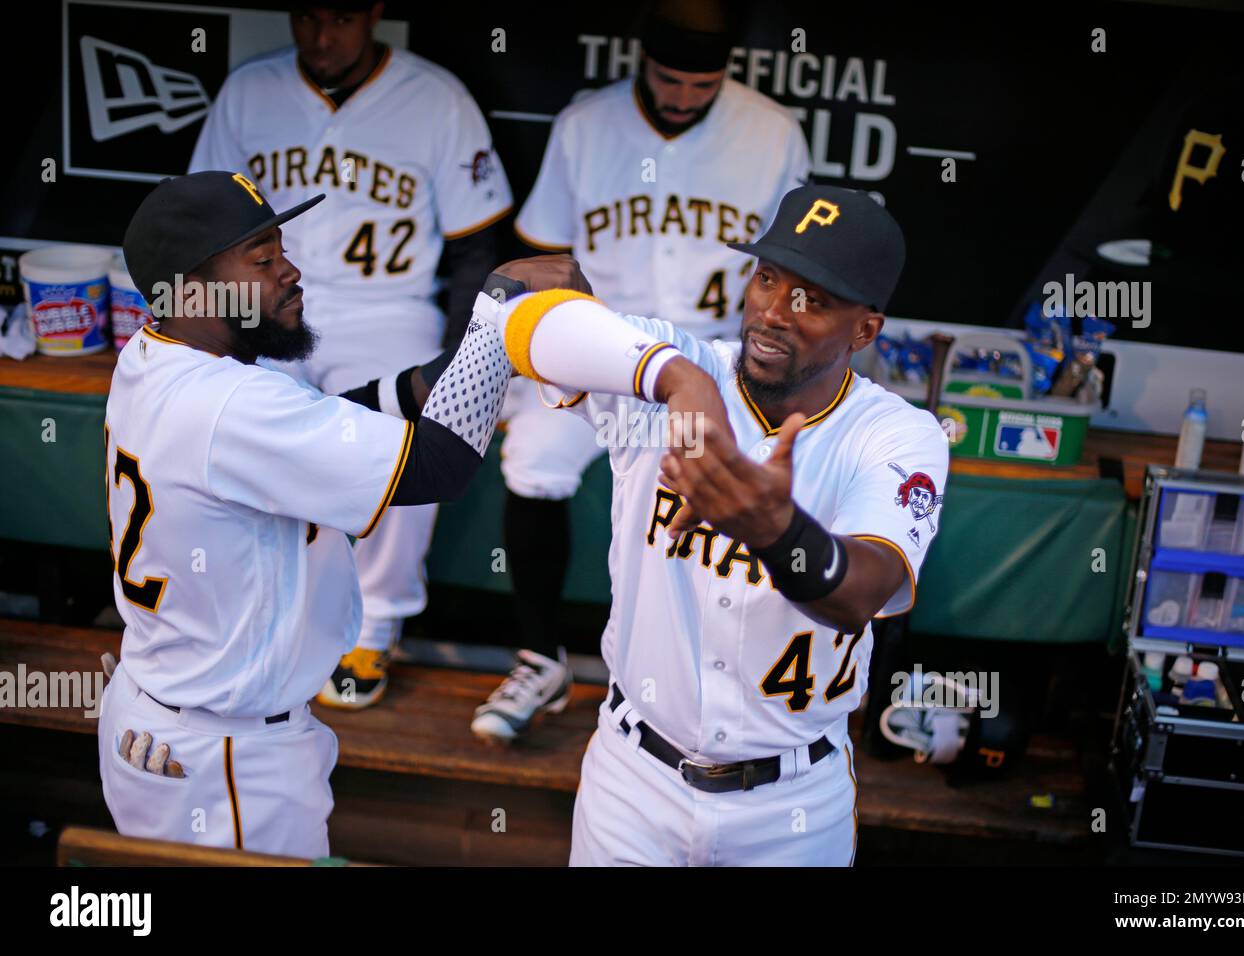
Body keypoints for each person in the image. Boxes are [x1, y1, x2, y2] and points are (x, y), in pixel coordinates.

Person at [99, 169, 571, 857]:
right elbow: (440, 465)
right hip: (221, 751)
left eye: (280, 248)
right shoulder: (228, 405)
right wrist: (495, 320)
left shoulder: (153, 356)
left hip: (174, 716)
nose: (291, 271)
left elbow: (332, 420)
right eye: (261, 260)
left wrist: (443, 371)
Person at [494, 185, 949, 865]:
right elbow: (528, 310)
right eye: (768, 278)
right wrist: (679, 379)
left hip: (792, 803)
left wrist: (774, 530)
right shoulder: (682, 361)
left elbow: (860, 594)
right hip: (634, 779)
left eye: (813, 300)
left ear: (865, 331)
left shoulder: (896, 435)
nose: (773, 313)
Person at [475, 0, 811, 743]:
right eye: (669, 78)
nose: (685, 96)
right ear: (641, 59)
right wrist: (526, 360)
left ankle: (706, 678)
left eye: (703, 83)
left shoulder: (772, 131)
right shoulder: (585, 125)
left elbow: (791, 269)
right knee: (533, 459)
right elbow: (539, 250)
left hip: (715, 357)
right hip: (599, 347)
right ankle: (541, 658)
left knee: (722, 491)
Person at [189, 1, 512, 709]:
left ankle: (378, 620)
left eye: (338, 18)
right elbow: (204, 225)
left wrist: (461, 353)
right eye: (305, 17)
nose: (320, 36)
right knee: (227, 422)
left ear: (374, 12)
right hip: (269, 306)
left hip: (385, 308)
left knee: (399, 436)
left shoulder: (435, 98)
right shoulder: (251, 89)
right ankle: (253, 609)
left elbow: (476, 247)